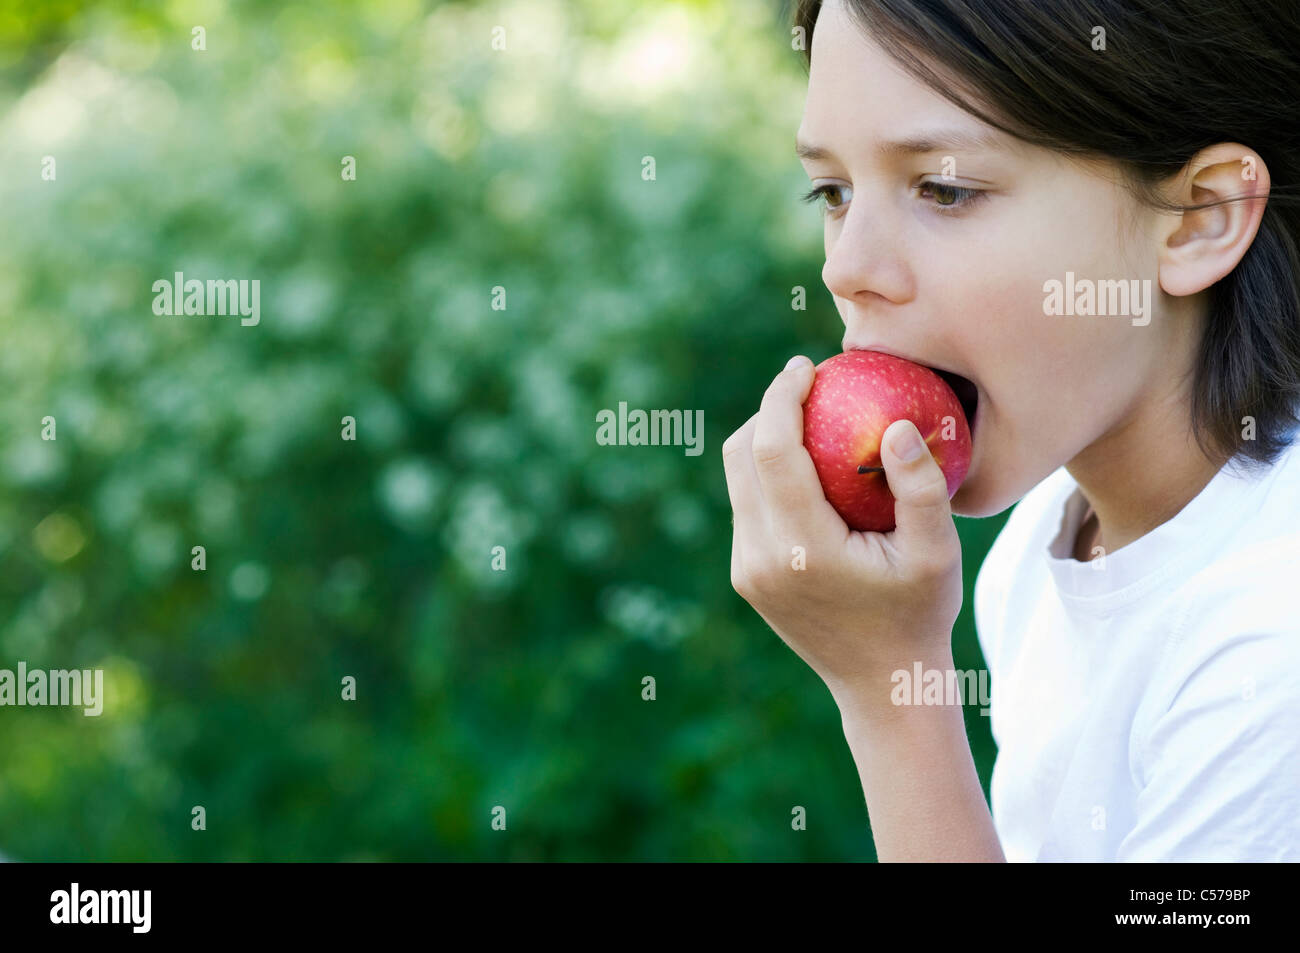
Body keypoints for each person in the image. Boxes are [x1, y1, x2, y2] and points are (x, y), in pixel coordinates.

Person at [723, 0, 1300, 861]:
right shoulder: (1041, 544)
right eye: (833, 192)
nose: (845, 269)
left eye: (945, 189)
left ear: (1199, 218)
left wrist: (892, 700)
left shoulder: (1271, 647)